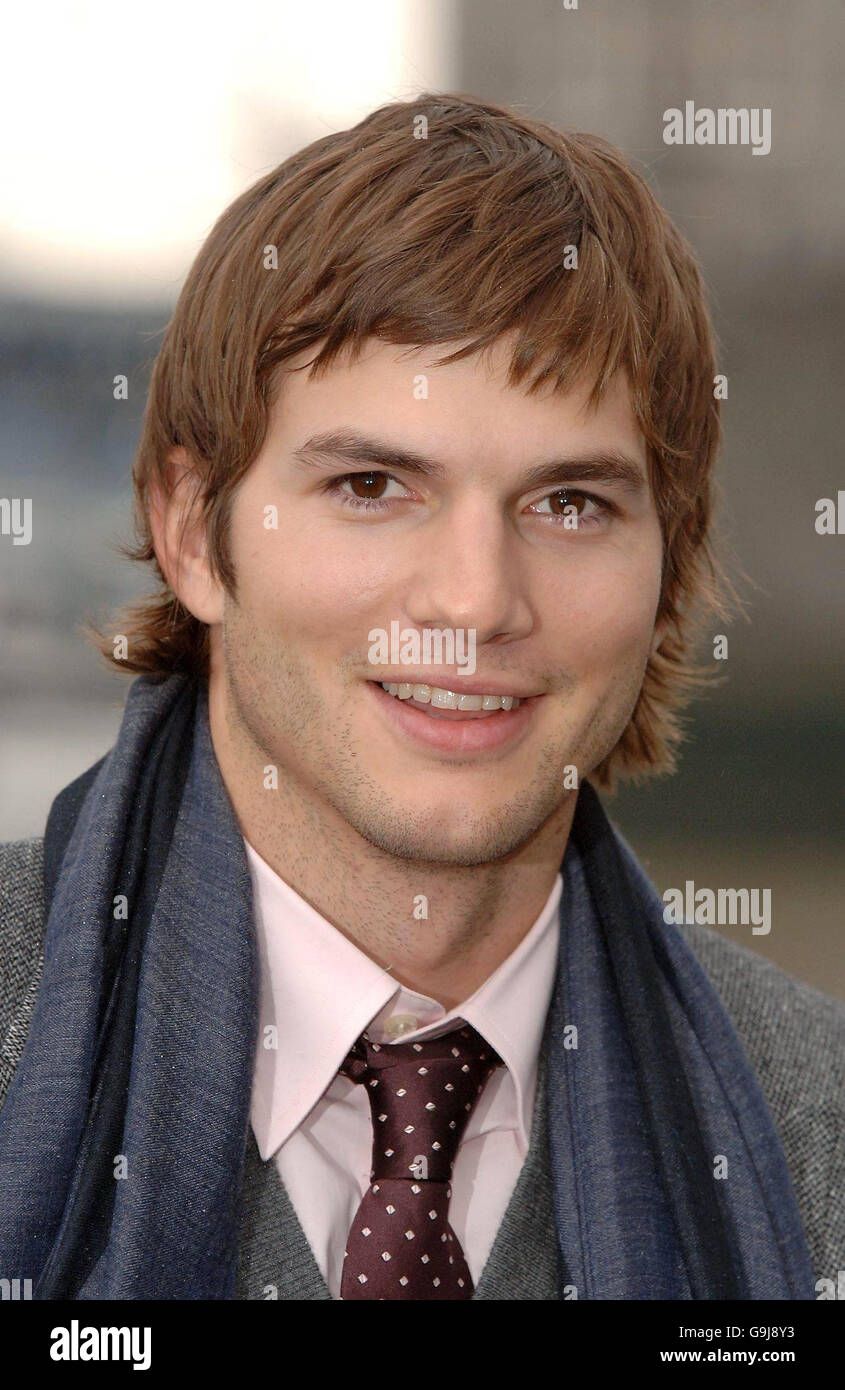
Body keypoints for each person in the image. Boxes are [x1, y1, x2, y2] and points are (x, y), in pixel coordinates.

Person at [0, 92, 841, 1302]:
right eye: (372, 484)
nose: (473, 600)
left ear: (669, 571)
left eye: (570, 504)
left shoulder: (815, 1131)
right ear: (191, 534)